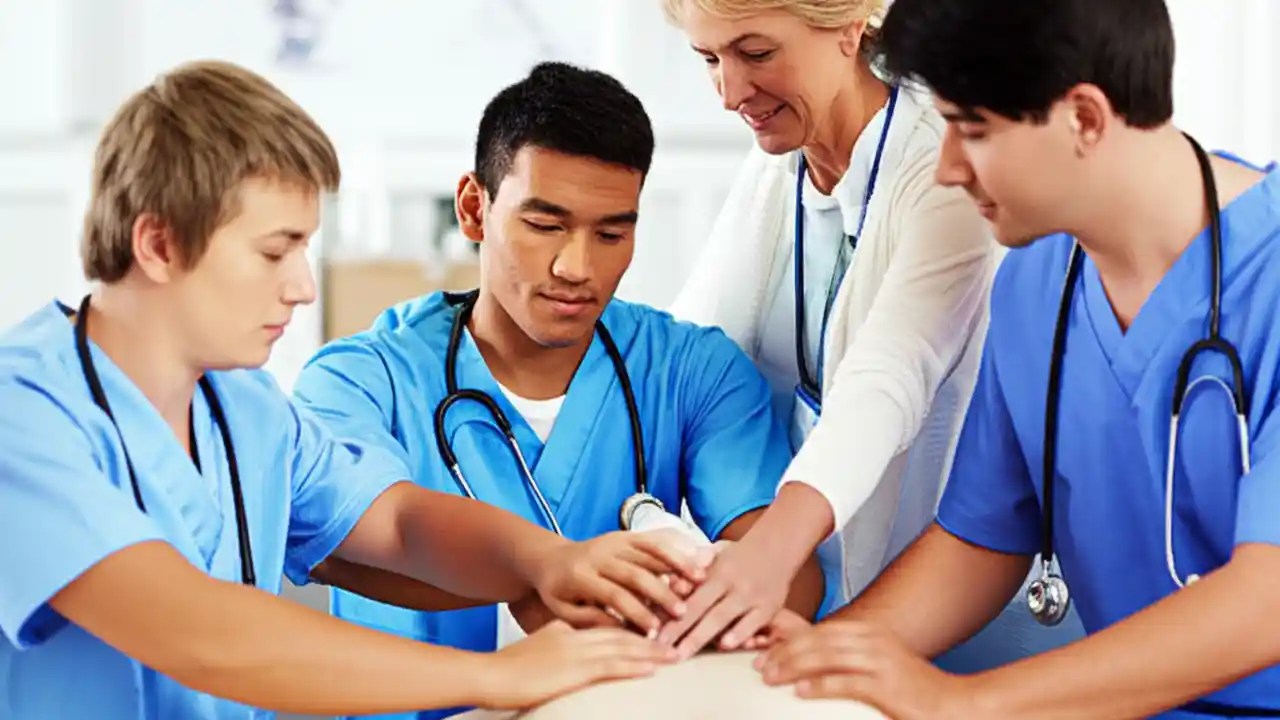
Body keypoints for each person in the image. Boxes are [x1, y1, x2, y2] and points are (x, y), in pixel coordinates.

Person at [0, 60, 714, 720]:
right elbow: (203, 636)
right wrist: (500, 675)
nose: (303, 286)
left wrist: (550, 562)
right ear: (157, 245)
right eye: (274, 251)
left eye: (305, 249)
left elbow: (397, 523)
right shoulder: (23, 415)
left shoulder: (244, 410)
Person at [756, 0, 1280, 717]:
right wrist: (808, 667)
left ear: (1085, 119)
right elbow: (981, 540)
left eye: (972, 131)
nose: (946, 169)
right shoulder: (1037, 285)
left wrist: (960, 704)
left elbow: (1266, 602)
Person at [290, 61, 826, 719]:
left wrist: (683, 602)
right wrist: (552, 574)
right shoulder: (360, 382)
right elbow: (349, 545)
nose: (577, 268)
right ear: (474, 208)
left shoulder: (690, 370)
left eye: (611, 233)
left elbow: (787, 570)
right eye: (545, 226)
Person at [653, 0, 997, 656]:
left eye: (756, 54)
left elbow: (884, 383)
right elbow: (692, 354)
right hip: (797, 593)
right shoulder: (777, 165)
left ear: (853, 24)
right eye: (708, 60)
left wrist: (768, 554)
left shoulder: (944, 172)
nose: (729, 95)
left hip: (927, 609)